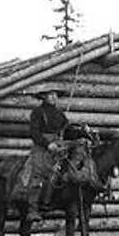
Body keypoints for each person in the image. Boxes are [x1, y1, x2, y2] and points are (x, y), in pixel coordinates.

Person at [24, 88, 68, 223]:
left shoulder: (60, 114)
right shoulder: (37, 113)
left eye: (55, 95)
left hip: (58, 147)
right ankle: (32, 209)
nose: (53, 97)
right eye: (50, 95)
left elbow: (68, 130)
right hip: (41, 148)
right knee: (38, 173)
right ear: (43, 97)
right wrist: (47, 144)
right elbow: (34, 133)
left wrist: (83, 131)